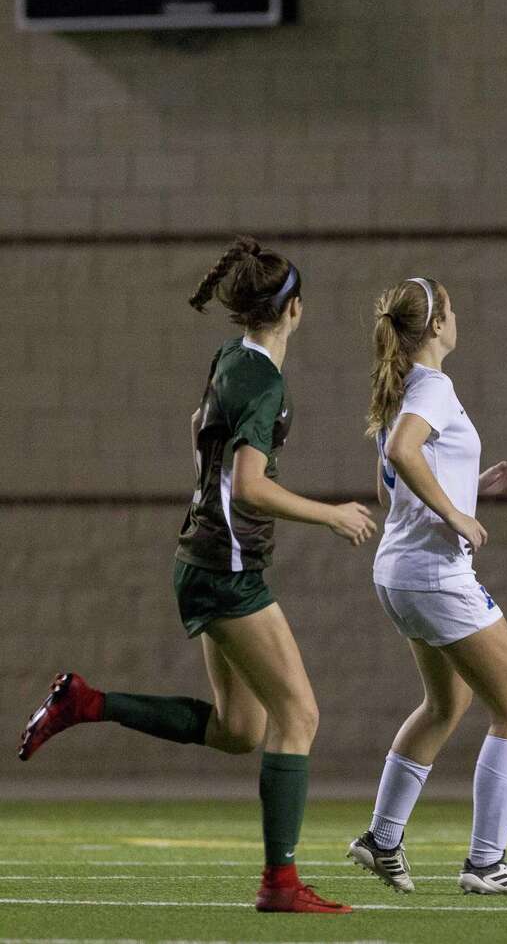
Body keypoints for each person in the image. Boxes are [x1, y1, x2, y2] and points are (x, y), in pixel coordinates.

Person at [18, 236, 376, 914]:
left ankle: (88, 702)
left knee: (240, 729)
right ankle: (281, 885)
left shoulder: (231, 357)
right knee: (299, 714)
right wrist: (330, 516)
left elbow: (198, 426)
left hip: (203, 560)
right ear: (294, 308)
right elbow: (247, 486)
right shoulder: (264, 378)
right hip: (227, 569)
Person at [346, 277, 507, 897]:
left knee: (446, 705)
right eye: (452, 311)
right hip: (435, 576)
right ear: (435, 327)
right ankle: (486, 863)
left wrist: (473, 485)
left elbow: (392, 486)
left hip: (398, 573)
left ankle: (381, 840)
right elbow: (407, 454)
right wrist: (458, 515)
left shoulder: (400, 387)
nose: (457, 320)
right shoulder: (433, 386)